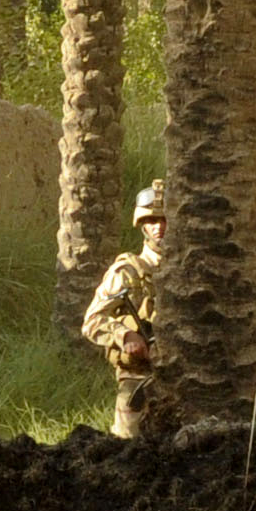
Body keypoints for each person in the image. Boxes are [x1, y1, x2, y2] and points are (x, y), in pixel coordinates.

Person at [81, 181, 173, 438]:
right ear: (142, 225)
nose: (159, 227)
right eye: (152, 221)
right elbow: (92, 321)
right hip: (138, 380)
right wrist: (125, 336)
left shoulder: (187, 275)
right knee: (127, 448)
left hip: (183, 379)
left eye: (164, 219)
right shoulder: (127, 272)